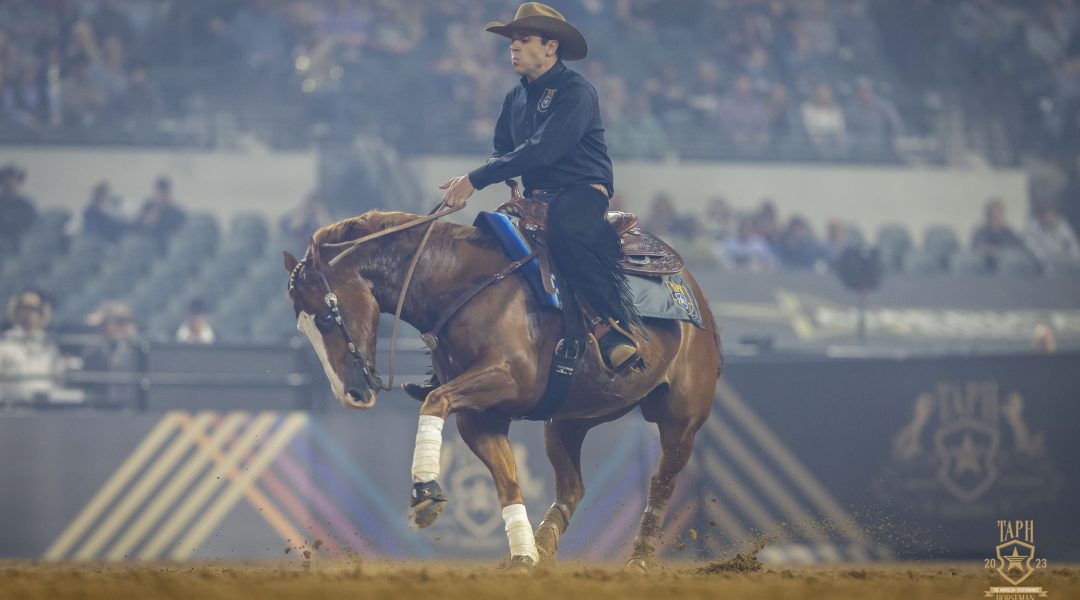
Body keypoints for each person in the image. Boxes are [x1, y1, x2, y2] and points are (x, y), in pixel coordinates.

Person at [435, 3, 642, 376]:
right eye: (512, 41)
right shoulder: (514, 98)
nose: (512, 47)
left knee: (567, 232)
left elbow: (544, 149)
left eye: (523, 39)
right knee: (487, 241)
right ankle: (457, 358)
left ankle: (613, 328)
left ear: (551, 47)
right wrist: (501, 175)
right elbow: (504, 147)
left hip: (580, 190)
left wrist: (475, 179)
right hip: (535, 197)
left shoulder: (576, 91)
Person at [0, 291, 69, 404]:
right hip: (12, 409)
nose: (29, 314)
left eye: (34, 310)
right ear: (16, 313)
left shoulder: (48, 345)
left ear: (41, 314)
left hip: (43, 408)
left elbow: (58, 377)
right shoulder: (5, 343)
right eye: (24, 309)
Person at [972, 198, 1025, 271]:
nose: (994, 218)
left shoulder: (1009, 233)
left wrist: (1000, 252)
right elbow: (976, 246)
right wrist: (990, 250)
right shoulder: (980, 231)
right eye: (991, 215)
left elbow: (1016, 249)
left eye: (997, 215)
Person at [1023, 202, 1080, 268]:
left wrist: (1075, 257)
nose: (1050, 218)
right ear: (1040, 217)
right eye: (1047, 216)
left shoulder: (1061, 224)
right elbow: (1037, 253)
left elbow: (1072, 243)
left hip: (1067, 261)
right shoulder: (1032, 231)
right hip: (1046, 266)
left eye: (1052, 215)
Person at [0, 163, 37, 256]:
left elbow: (34, 227)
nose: (10, 184)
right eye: (7, 180)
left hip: (23, 248)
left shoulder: (27, 206)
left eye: (14, 180)